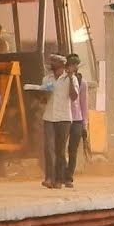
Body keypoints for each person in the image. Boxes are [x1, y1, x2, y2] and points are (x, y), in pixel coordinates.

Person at [40, 54, 77, 189]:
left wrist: (72, 78)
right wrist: (43, 93)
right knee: (48, 148)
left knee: (60, 151)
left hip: (64, 118)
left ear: (61, 65)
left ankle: (59, 179)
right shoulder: (47, 79)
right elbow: (43, 100)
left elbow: (74, 97)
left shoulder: (70, 79)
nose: (51, 64)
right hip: (49, 117)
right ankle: (49, 178)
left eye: (54, 62)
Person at [63, 53, 89, 188]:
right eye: (70, 65)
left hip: (77, 120)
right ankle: (61, 174)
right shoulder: (62, 80)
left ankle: (68, 177)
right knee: (61, 149)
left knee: (72, 150)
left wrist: (85, 125)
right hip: (63, 118)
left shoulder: (82, 83)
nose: (72, 67)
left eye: (74, 65)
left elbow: (84, 105)